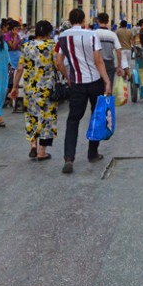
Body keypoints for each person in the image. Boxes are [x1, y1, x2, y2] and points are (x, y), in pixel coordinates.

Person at [55, 9, 112, 175]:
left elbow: (59, 63)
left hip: (77, 83)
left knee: (73, 119)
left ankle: (68, 158)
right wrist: (107, 81)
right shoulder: (91, 35)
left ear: (70, 19)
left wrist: (68, 78)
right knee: (97, 116)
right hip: (95, 81)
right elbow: (98, 60)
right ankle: (92, 152)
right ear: (84, 19)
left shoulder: (62, 37)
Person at [9, 20, 58, 161]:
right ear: (49, 33)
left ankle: (33, 146)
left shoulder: (27, 46)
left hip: (30, 89)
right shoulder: (52, 46)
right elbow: (59, 64)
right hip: (48, 89)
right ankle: (42, 152)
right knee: (47, 119)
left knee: (33, 117)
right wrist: (67, 78)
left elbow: (19, 69)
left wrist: (14, 87)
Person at [96, 13, 126, 85]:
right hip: (109, 63)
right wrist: (119, 66)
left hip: (96, 63)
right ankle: (108, 95)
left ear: (98, 21)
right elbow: (118, 51)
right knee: (108, 84)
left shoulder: (93, 34)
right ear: (108, 21)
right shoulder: (112, 34)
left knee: (97, 86)